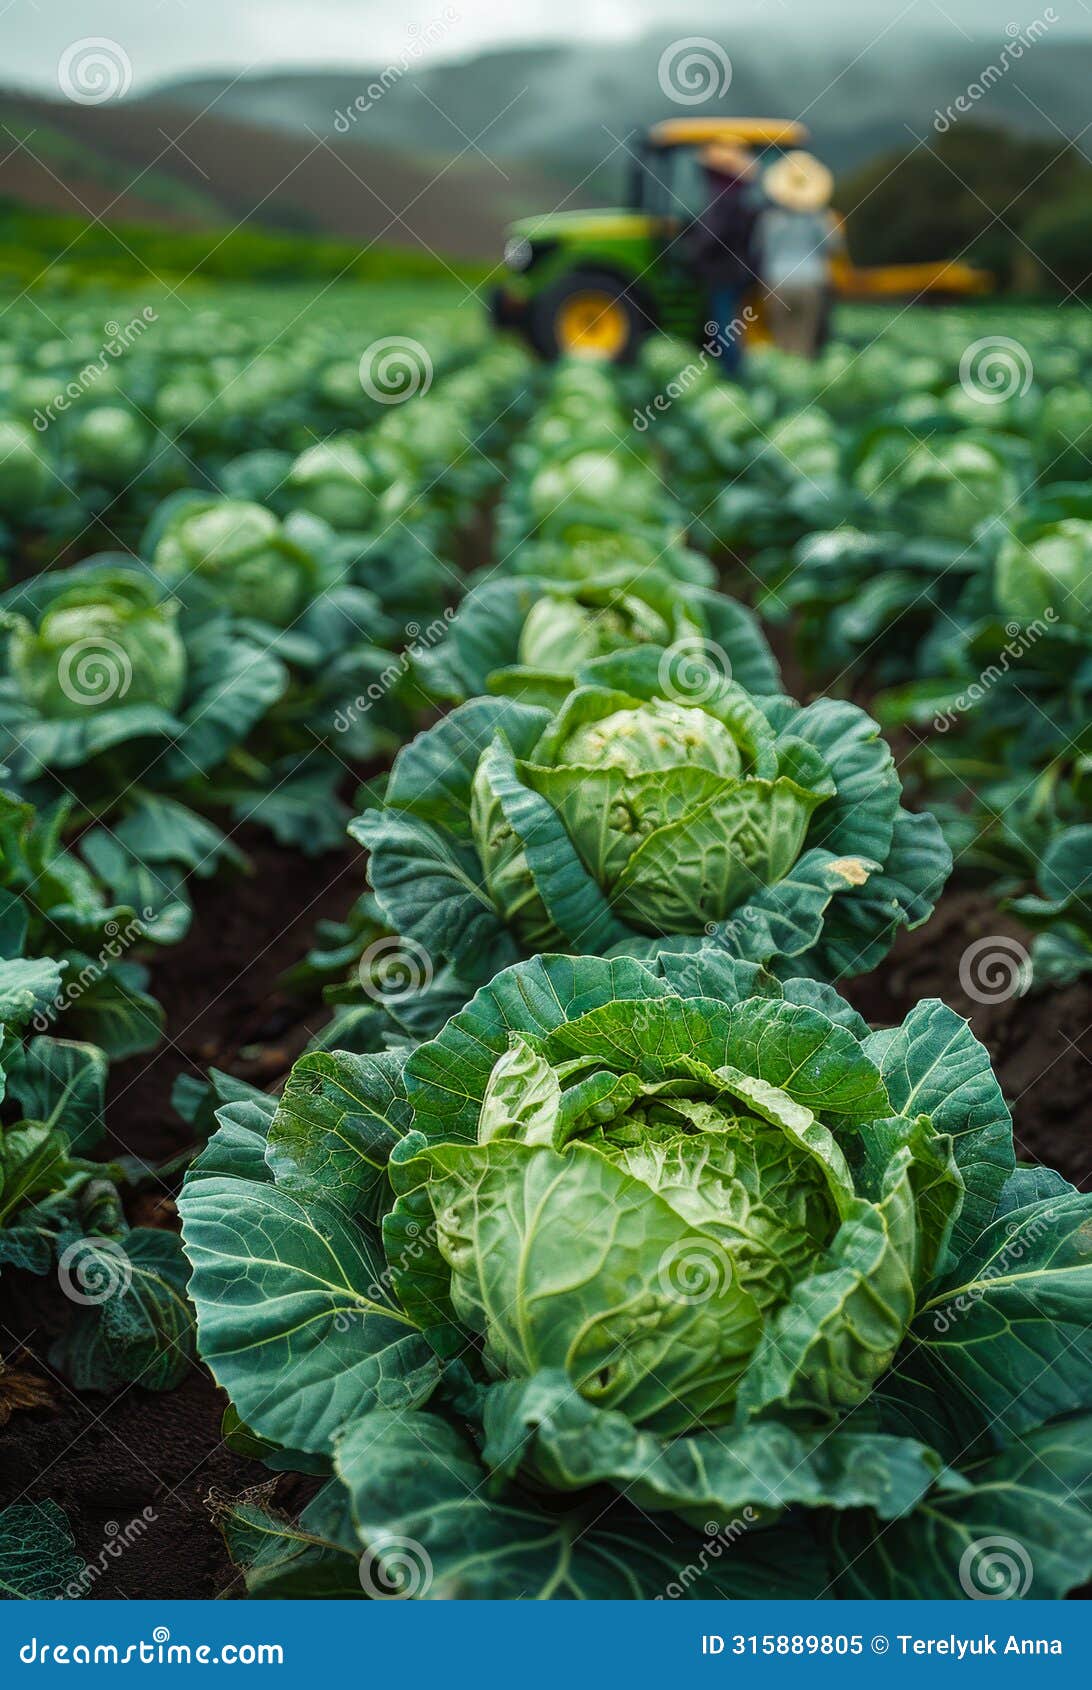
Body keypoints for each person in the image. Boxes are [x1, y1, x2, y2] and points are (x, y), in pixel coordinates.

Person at [756, 151, 842, 358]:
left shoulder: (769, 220)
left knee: (780, 340)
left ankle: (783, 383)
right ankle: (801, 381)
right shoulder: (820, 219)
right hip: (811, 282)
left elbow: (760, 251)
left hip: (778, 282)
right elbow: (835, 247)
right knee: (805, 340)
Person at [685, 143, 759, 378]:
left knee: (723, 327)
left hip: (723, 274)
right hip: (734, 272)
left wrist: (693, 253)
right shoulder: (736, 197)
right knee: (728, 324)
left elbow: (712, 236)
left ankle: (734, 374)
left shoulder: (722, 199)